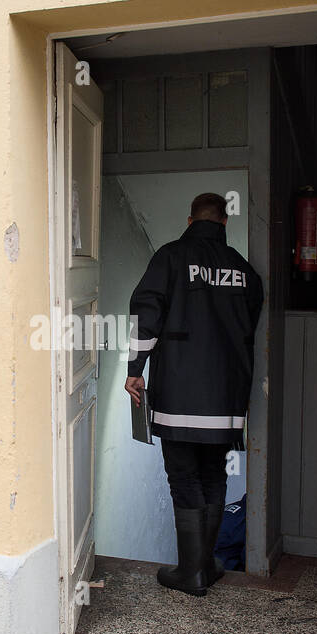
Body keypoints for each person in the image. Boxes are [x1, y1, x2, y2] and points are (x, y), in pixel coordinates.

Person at [125, 192, 264, 596]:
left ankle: (192, 573)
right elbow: (247, 325)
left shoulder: (169, 258)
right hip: (226, 402)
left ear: (190, 221)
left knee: (184, 480)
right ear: (225, 223)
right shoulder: (244, 271)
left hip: (179, 400)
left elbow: (145, 314)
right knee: (214, 478)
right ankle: (205, 567)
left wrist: (135, 370)